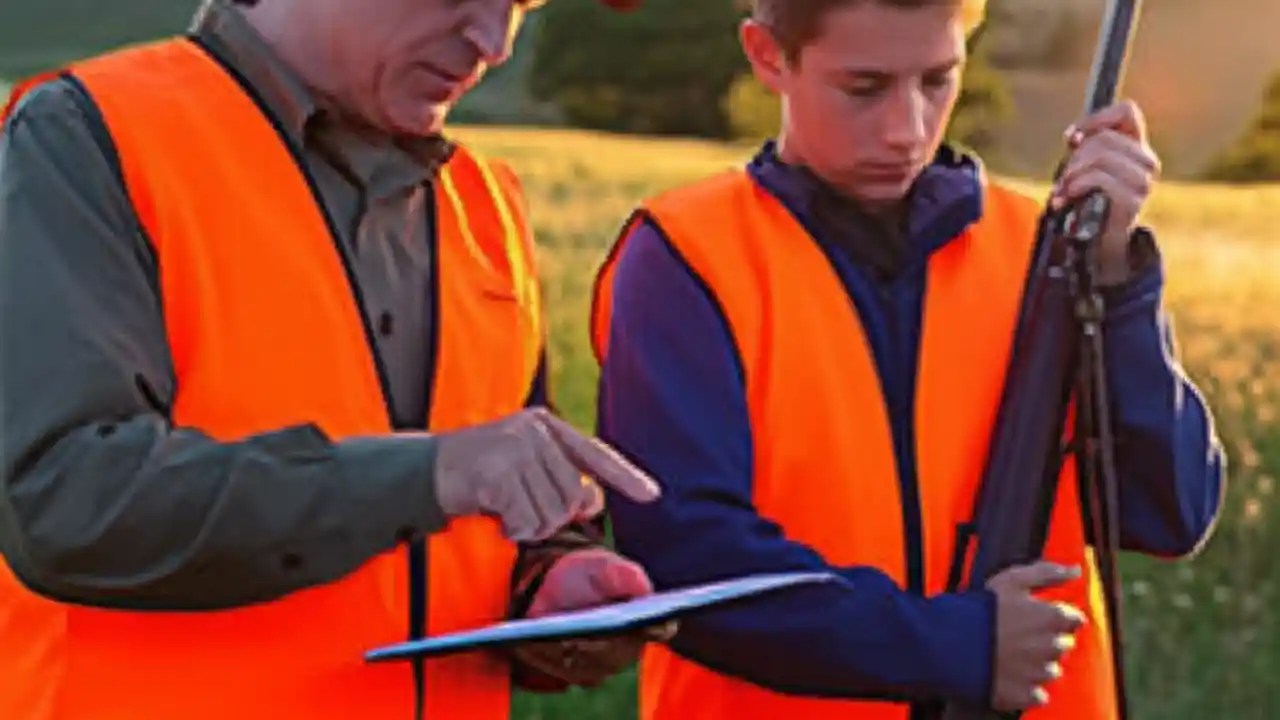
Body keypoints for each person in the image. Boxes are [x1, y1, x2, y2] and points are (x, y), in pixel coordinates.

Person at [0, 0, 670, 718]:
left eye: (521, 3)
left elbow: (508, 500)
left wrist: (551, 585)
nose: (493, 41)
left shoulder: (486, 206)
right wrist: (430, 474)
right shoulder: (88, 138)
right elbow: (70, 503)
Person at [590, 0, 1226, 718]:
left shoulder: (1040, 252)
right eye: (865, 88)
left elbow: (1169, 513)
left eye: (937, 81)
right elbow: (688, 557)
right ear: (768, 55)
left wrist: (1117, 284)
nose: (907, 129)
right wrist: (955, 646)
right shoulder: (686, 257)